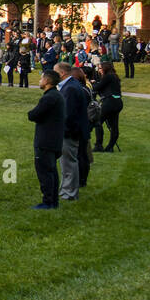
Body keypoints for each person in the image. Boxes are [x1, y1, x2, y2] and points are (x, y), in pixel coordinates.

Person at [27, 69, 65, 209]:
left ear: (47, 81)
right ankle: (53, 201)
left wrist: (32, 114)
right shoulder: (57, 95)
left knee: (45, 172)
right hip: (54, 139)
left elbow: (34, 114)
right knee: (51, 170)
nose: (39, 81)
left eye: (41, 78)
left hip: (46, 140)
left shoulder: (49, 98)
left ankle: (48, 201)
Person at [55, 63, 90, 202]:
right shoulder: (71, 85)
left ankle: (69, 192)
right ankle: (66, 189)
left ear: (62, 73)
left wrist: (63, 130)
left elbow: (68, 113)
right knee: (66, 163)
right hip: (72, 130)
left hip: (70, 132)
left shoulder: (70, 88)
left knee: (68, 163)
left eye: (55, 72)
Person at [92, 60, 123, 152]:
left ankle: (99, 145)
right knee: (114, 125)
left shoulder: (108, 76)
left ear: (105, 68)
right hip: (117, 102)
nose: (99, 70)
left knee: (98, 122)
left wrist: (93, 83)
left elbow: (97, 88)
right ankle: (110, 147)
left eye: (100, 68)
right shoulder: (114, 76)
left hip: (109, 102)